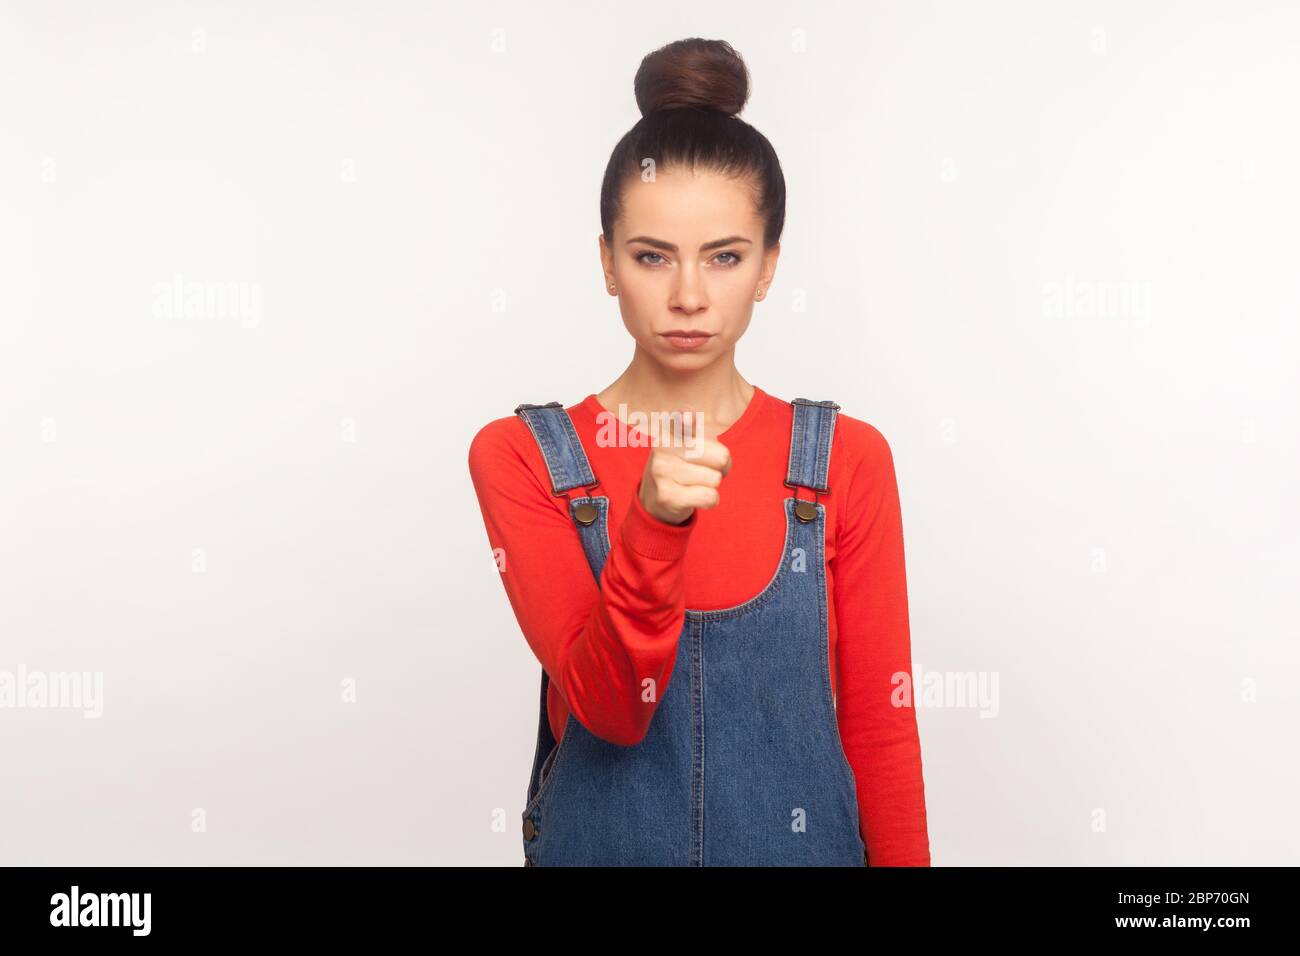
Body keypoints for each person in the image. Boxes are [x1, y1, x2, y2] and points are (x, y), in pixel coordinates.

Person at [468, 37, 930, 866]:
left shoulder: (845, 463)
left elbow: (881, 731)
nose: (688, 296)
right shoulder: (525, 457)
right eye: (652, 257)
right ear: (607, 262)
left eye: (724, 256)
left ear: (767, 267)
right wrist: (652, 523)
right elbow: (614, 709)